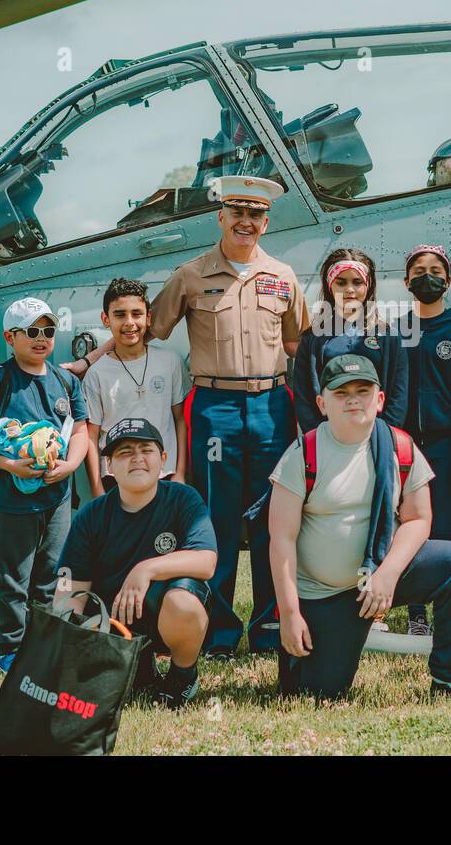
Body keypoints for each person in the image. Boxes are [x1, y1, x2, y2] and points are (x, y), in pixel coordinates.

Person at [149, 175, 310, 659]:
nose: (246, 222)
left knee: (271, 517)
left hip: (271, 406)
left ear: (266, 222)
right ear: (220, 217)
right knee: (215, 519)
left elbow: (300, 345)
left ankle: (267, 628)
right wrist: (94, 361)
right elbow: (148, 328)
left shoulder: (283, 277)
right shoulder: (191, 274)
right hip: (215, 406)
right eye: (237, 213)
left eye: (256, 215)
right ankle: (218, 631)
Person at [268, 354, 451, 702]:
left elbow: (418, 519)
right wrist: (290, 615)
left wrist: (386, 575)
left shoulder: (400, 446)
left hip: (381, 576)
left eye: (363, 390)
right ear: (322, 404)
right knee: (314, 695)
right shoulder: (302, 454)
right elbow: (281, 540)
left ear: (380, 399)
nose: (353, 399)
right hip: (325, 593)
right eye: (341, 393)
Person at [0, 297, 90, 675]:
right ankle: (10, 650)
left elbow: (81, 430)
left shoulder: (65, 381)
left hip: (56, 497)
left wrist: (70, 465)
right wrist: (8, 464)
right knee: (11, 578)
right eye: (32, 331)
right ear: (10, 337)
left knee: (53, 576)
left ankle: (45, 645)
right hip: (9, 497)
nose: (41, 339)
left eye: (48, 331)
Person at [58, 417, 217, 709]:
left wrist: (146, 569)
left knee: (184, 602)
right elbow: (69, 588)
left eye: (146, 449)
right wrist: (66, 640)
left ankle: (183, 676)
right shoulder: (92, 515)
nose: (137, 458)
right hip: (113, 619)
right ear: (109, 466)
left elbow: (206, 561)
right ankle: (139, 664)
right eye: (124, 452)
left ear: (163, 459)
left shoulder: (183, 499)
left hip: (166, 611)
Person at [399, 243, 451, 636]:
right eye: (418, 270)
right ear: (406, 280)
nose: (426, 276)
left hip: (447, 449)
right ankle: (416, 615)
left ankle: (448, 613)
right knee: (411, 527)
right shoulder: (396, 330)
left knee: (445, 529)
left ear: (448, 281)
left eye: (435, 270)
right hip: (405, 447)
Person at [82, 277, 187, 496]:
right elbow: (90, 436)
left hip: (164, 474)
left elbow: (180, 419)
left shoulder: (170, 362)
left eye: (136, 314)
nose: (129, 322)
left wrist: (180, 472)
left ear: (148, 317)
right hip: (115, 477)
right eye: (120, 315)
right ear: (105, 319)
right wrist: (97, 488)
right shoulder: (97, 374)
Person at [291, 248, 408, 435]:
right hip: (327, 438)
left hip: (377, 437)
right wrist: (320, 438)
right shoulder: (312, 339)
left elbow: (398, 395)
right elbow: (304, 397)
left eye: (357, 282)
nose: (350, 289)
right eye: (341, 282)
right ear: (330, 286)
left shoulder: (389, 336)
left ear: (368, 285)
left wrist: (385, 434)